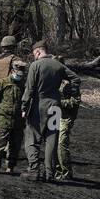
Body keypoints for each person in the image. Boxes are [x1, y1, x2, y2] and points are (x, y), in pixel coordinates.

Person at [20, 41, 77, 182]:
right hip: (56, 107)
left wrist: (24, 107)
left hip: (39, 107)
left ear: (38, 52)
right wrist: (69, 89)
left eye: (34, 54)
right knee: (52, 139)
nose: (34, 56)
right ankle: (49, 173)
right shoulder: (58, 65)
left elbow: (30, 89)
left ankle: (34, 170)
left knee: (32, 138)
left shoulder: (35, 65)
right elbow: (76, 78)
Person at [0, 60, 26, 172]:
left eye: (21, 74)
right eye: (17, 73)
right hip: (3, 118)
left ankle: (10, 166)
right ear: (12, 70)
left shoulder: (24, 85)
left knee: (15, 144)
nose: (19, 76)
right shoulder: (2, 83)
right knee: (0, 142)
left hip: (18, 120)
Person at [55, 59, 82, 181]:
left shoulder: (70, 82)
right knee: (52, 142)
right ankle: (56, 170)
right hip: (54, 115)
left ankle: (66, 172)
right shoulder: (52, 80)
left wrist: (58, 103)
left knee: (61, 144)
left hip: (65, 117)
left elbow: (75, 101)